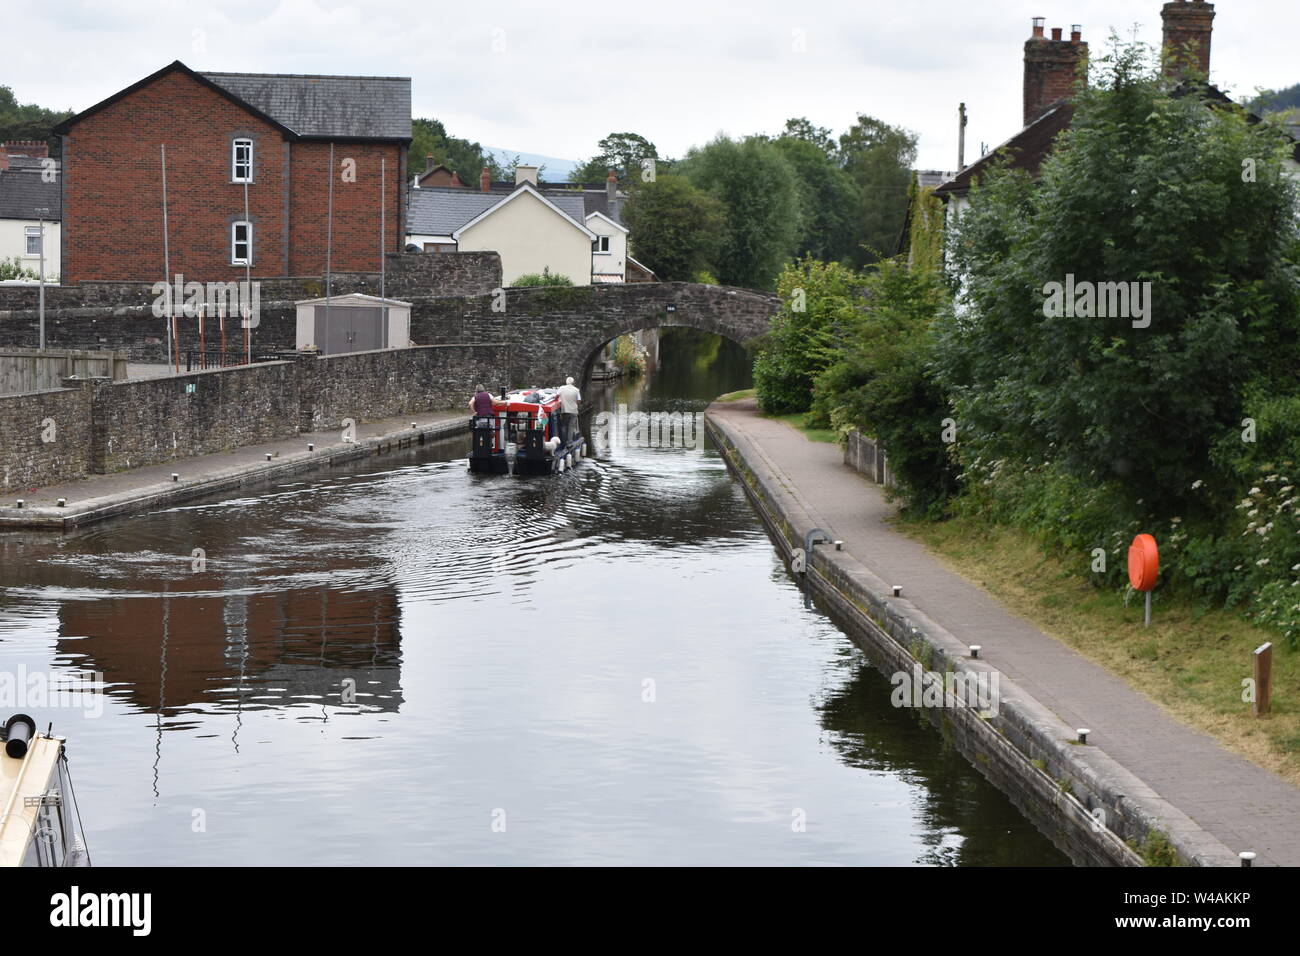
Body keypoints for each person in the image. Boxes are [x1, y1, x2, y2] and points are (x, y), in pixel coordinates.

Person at [557, 376, 581, 444]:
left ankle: (563, 442)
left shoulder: (562, 388)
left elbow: (556, 396)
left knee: (564, 426)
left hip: (564, 410)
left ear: (566, 382)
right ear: (573, 383)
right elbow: (579, 401)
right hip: (573, 411)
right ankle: (569, 442)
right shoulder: (576, 390)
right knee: (571, 427)